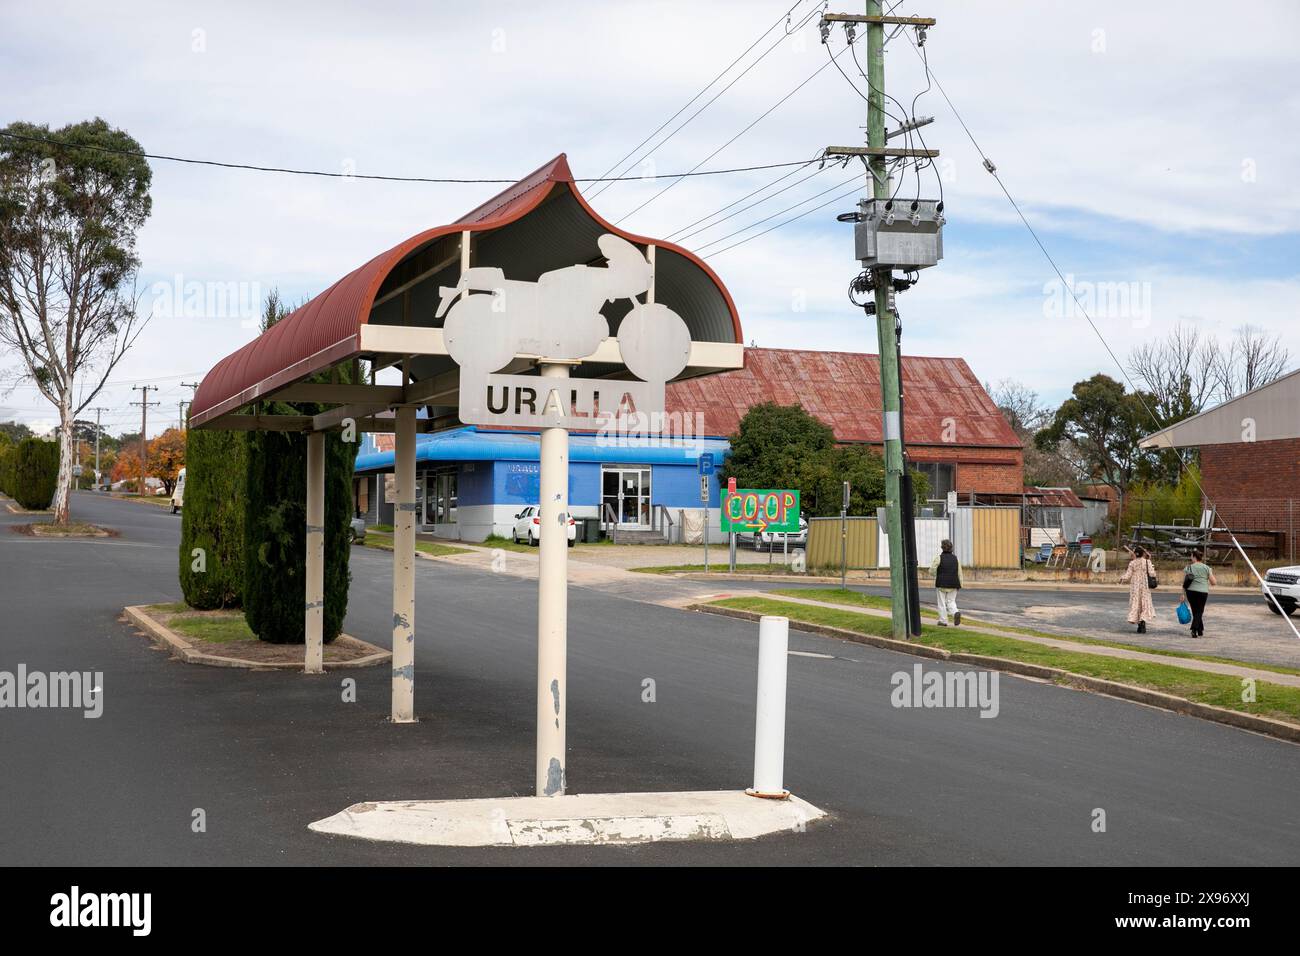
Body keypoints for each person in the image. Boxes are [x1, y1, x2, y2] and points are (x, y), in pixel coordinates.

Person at [1119, 545, 1157, 634]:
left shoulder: (1132, 563)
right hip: (1144, 586)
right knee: (1144, 603)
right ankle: (1142, 622)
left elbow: (1128, 575)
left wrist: (1122, 578)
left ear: (1135, 554)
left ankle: (1139, 624)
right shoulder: (1147, 562)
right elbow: (1152, 574)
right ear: (1142, 553)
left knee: (1137, 603)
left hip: (1135, 587)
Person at [1182, 549, 1216, 638]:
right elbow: (1213, 582)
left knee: (1195, 611)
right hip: (1202, 592)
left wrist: (1182, 594)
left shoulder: (1188, 568)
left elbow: (1184, 582)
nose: (1190, 558)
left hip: (1190, 592)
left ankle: (1200, 630)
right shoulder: (1206, 568)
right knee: (1199, 611)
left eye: (1191, 556)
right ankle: (1194, 629)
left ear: (1194, 557)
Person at [929, 539, 963, 626]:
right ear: (951, 548)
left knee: (942, 603)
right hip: (954, 584)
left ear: (942, 548)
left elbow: (932, 570)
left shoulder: (939, 558)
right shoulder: (956, 559)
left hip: (941, 584)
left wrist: (935, 575)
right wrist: (960, 584)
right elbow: (959, 573)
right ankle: (955, 612)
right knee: (951, 601)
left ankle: (943, 621)